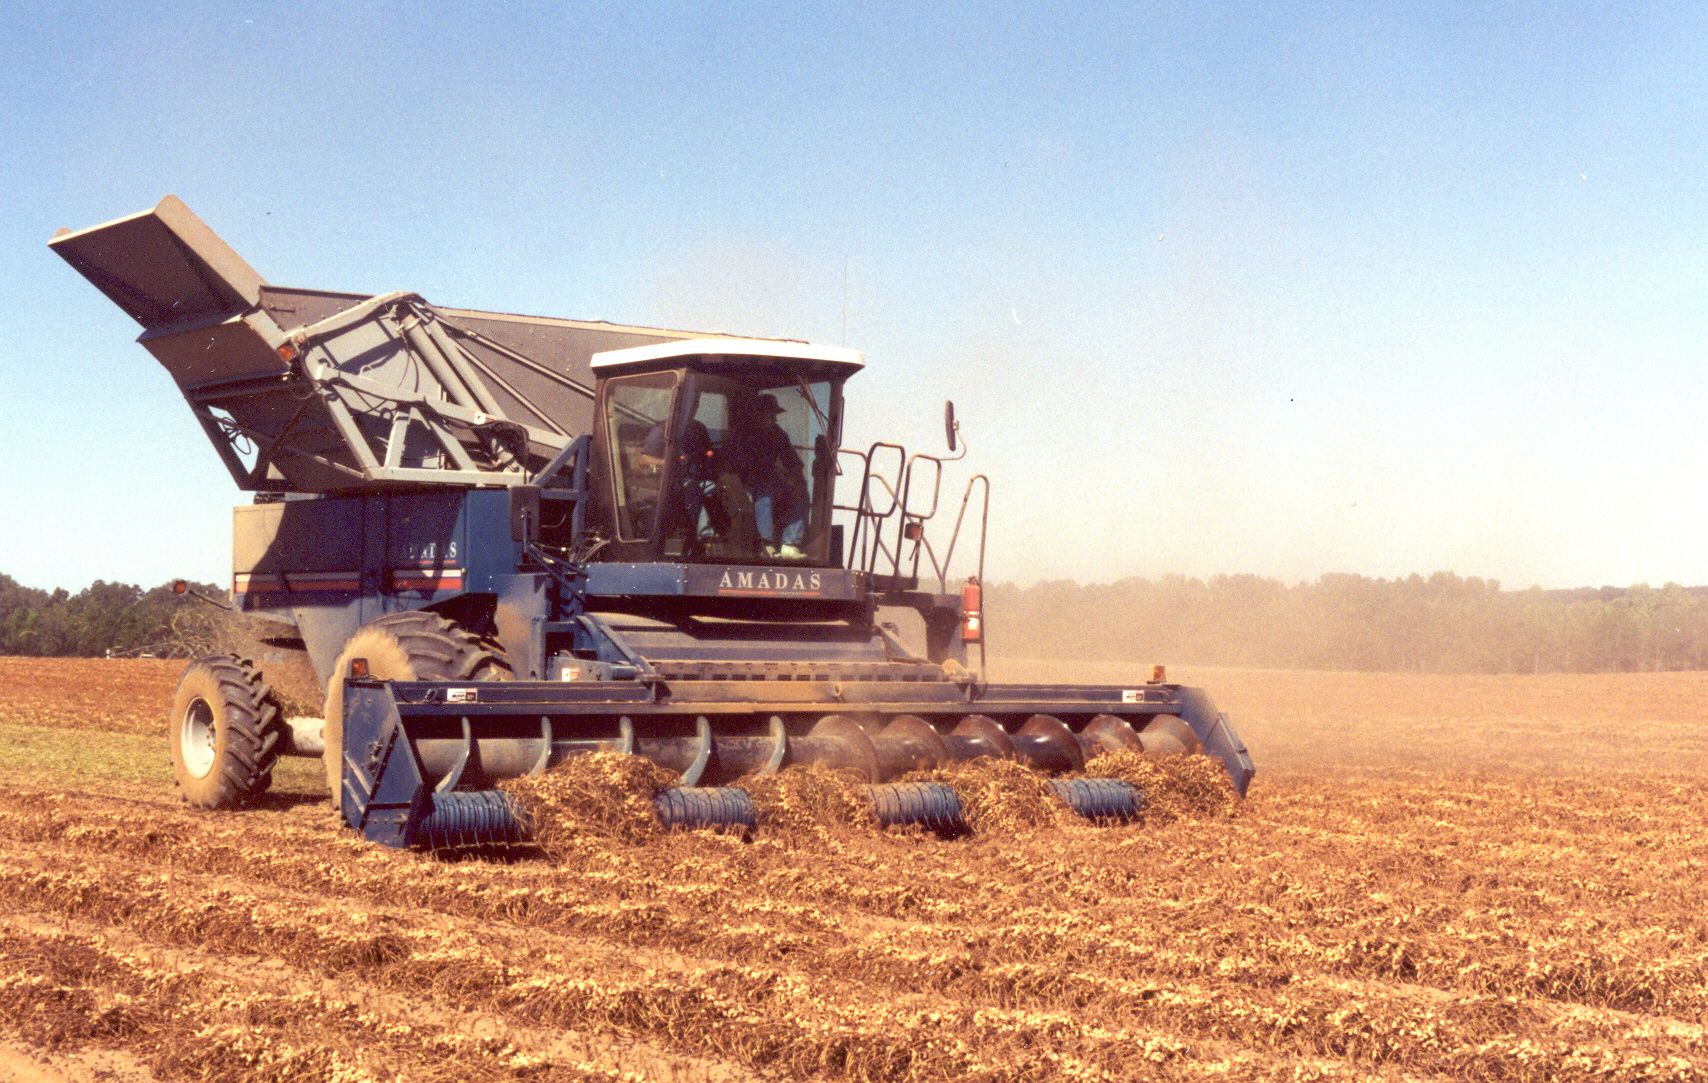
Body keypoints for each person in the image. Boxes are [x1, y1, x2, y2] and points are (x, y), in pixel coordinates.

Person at [727, 393, 809, 558]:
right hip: (740, 485)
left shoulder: (778, 434)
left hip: (769, 482)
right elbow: (736, 466)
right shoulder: (741, 434)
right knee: (764, 490)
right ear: (756, 414)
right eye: (769, 414)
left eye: (774, 415)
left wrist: (799, 482)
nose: (773, 419)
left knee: (800, 493)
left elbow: (793, 462)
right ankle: (766, 545)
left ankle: (790, 544)